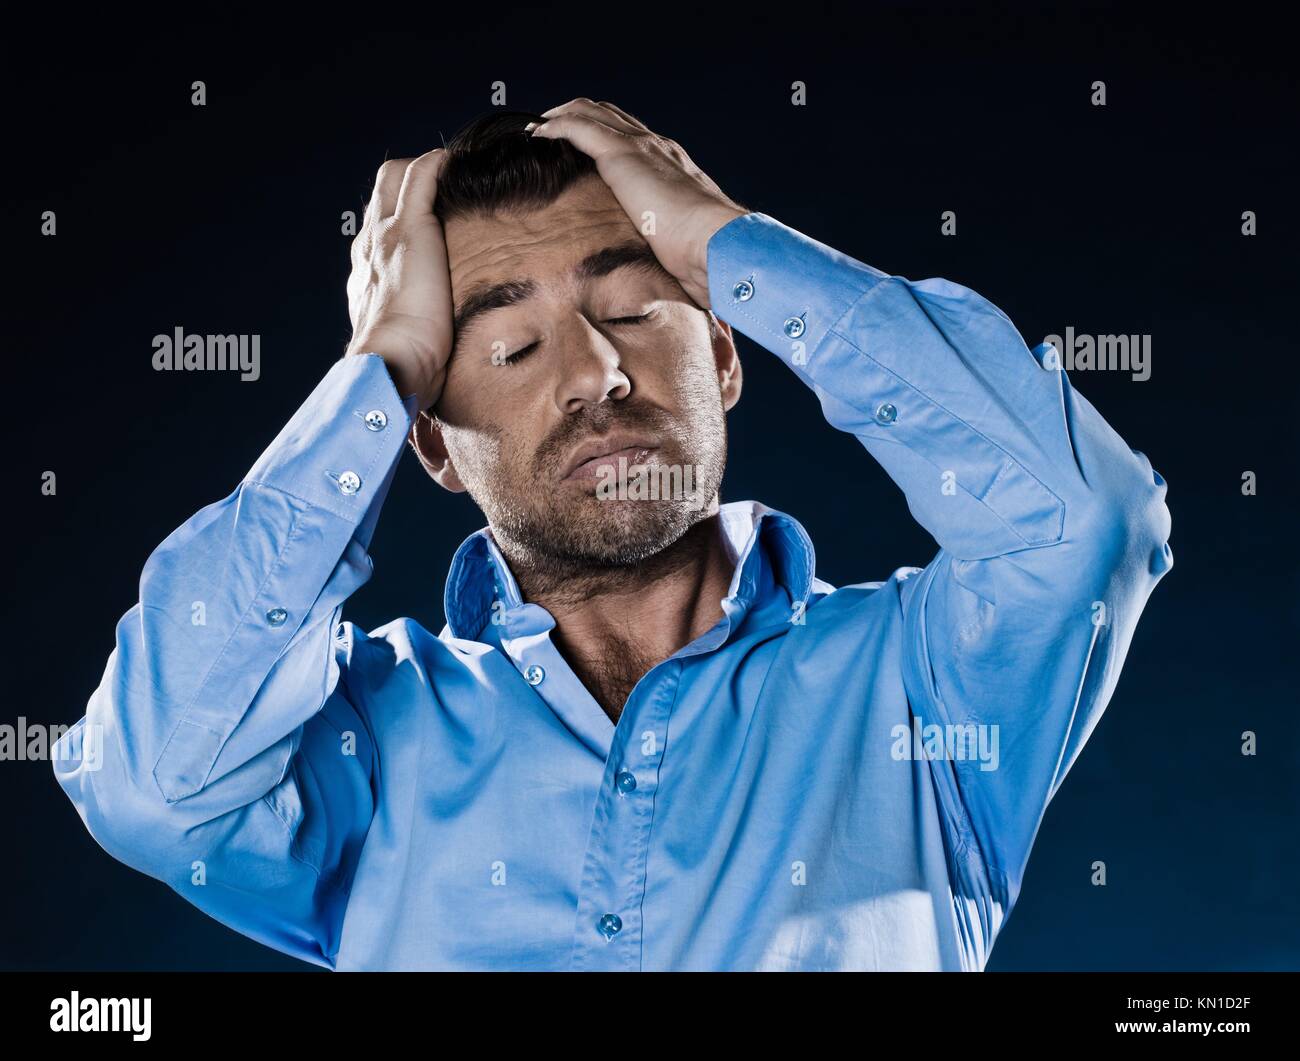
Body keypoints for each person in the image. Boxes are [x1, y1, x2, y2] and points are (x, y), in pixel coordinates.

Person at [53, 100, 1173, 971]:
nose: (597, 371)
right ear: (431, 448)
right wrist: (380, 367)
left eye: (635, 309)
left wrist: (727, 241)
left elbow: (1085, 524)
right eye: (510, 349)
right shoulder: (356, 740)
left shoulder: (921, 688)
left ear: (726, 357)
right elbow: (152, 785)